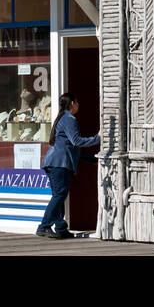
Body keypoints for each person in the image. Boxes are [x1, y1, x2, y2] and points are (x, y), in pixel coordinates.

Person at [38, 92, 99, 239]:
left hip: (55, 163)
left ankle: (60, 227)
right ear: (72, 103)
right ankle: (44, 226)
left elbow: (72, 147)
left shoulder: (63, 118)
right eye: (77, 102)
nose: (78, 105)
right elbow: (76, 141)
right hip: (59, 164)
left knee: (59, 195)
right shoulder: (69, 119)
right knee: (59, 195)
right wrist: (98, 138)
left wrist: (93, 159)